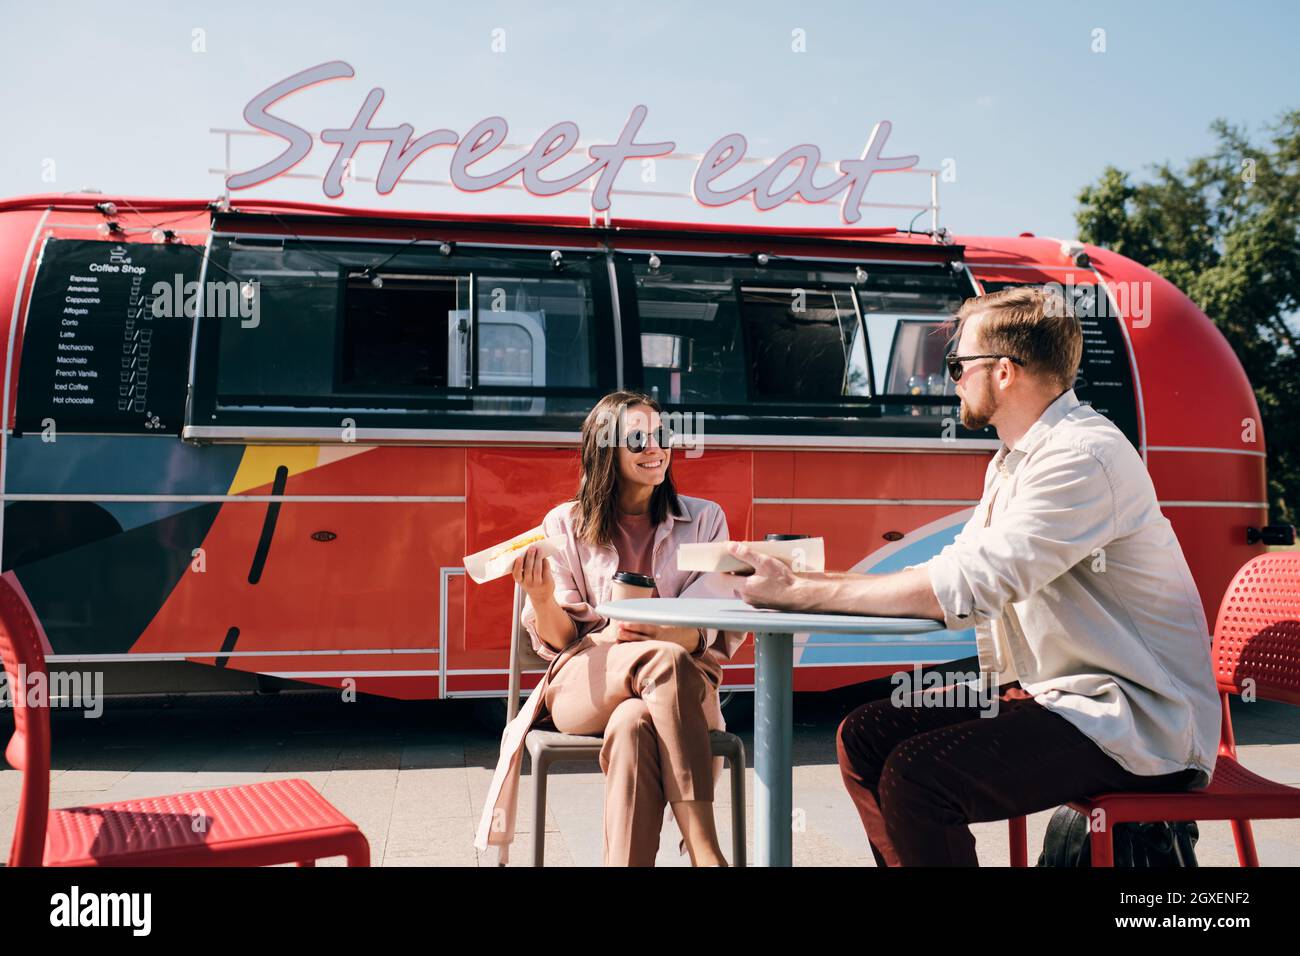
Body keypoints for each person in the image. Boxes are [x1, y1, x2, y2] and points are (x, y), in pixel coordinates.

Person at [727, 286, 1221, 866]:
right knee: (864, 736)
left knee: (919, 778)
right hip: (1063, 697)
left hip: (1134, 721)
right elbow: (951, 570)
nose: (952, 380)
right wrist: (802, 582)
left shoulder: (1081, 457)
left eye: (958, 365)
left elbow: (969, 587)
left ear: (1004, 372)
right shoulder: (1017, 460)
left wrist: (802, 593)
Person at [474, 390, 744, 866]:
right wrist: (542, 597)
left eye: (662, 435)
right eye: (637, 439)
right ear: (605, 450)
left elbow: (715, 624)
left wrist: (656, 634)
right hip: (588, 682)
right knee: (661, 660)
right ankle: (706, 851)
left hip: (683, 687)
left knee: (634, 723)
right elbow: (562, 642)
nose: (655, 448)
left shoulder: (705, 519)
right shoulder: (564, 523)